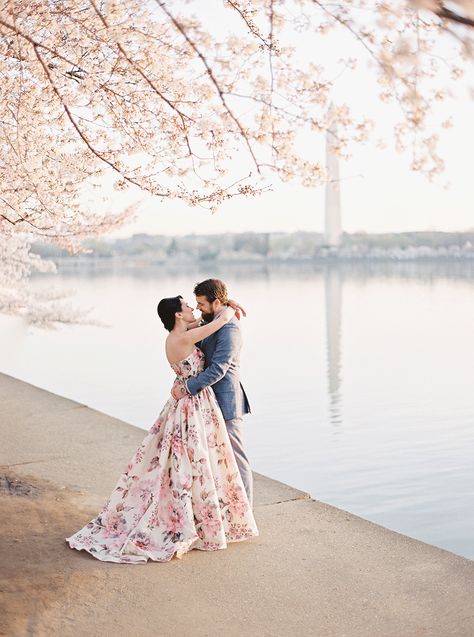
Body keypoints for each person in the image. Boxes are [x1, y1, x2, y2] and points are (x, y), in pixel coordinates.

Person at [65, 295, 258, 564]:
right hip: (192, 403)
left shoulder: (182, 334)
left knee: (192, 462)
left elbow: (206, 322)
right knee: (194, 462)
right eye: (188, 306)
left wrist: (224, 302)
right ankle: (206, 517)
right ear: (178, 315)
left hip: (191, 403)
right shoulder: (183, 338)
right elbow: (220, 321)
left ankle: (208, 514)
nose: (193, 308)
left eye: (197, 304)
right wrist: (228, 307)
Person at [171, 279, 253, 507]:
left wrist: (186, 388)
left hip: (227, 401)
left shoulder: (230, 329)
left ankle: (246, 510)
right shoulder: (210, 321)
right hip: (206, 404)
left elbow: (218, 369)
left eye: (201, 304)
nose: (197, 308)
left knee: (236, 459)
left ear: (216, 302)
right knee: (215, 460)